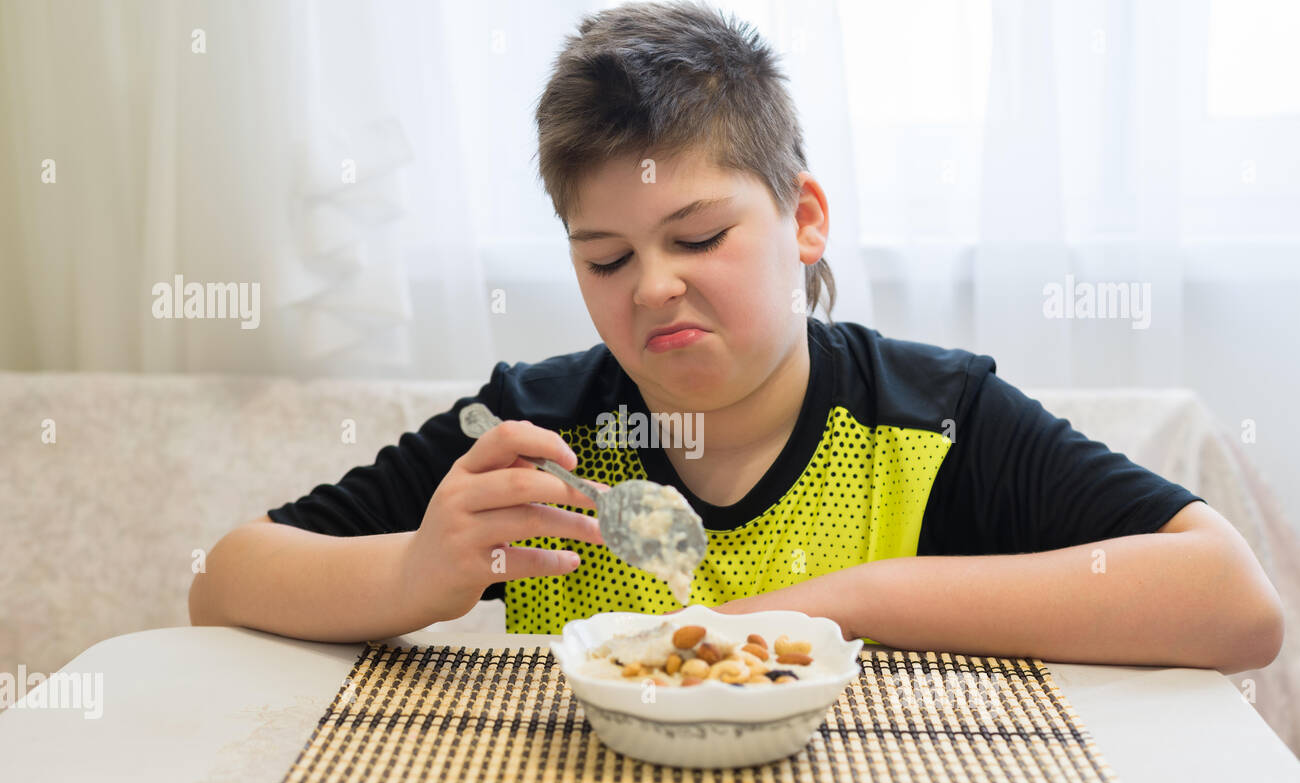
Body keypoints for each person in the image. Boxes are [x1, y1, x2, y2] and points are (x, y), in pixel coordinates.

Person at [189, 0, 1282, 674]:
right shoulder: (546, 431)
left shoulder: (927, 420)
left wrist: (845, 601)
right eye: (605, 259)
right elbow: (225, 580)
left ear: (802, 220)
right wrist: (413, 576)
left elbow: (1231, 603)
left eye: (697, 236)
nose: (652, 289)